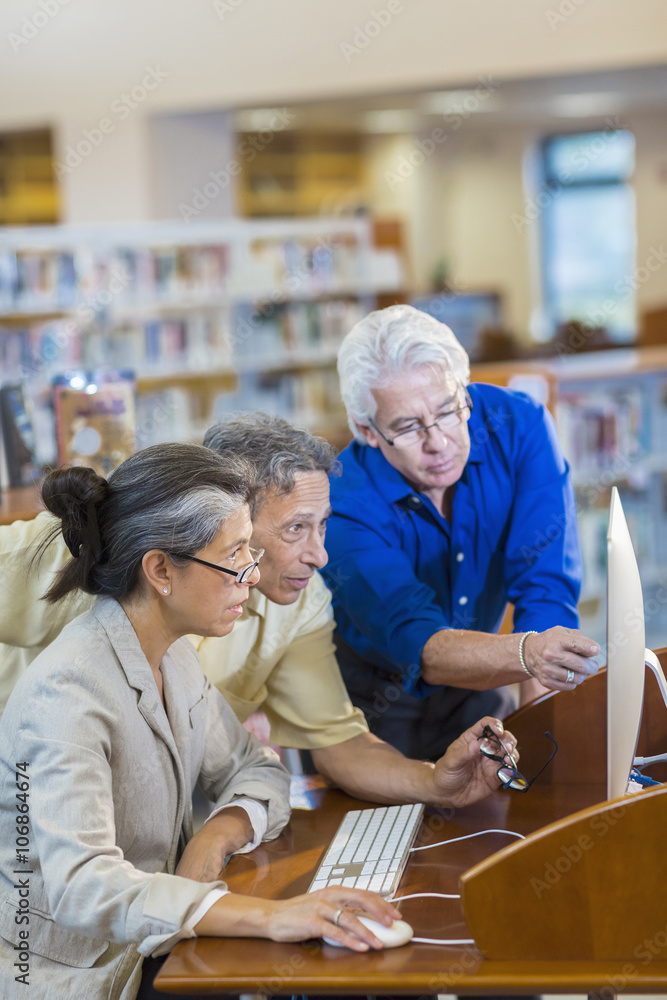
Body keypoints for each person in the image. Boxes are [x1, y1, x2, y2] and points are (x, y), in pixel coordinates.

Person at [0, 443, 416, 1000]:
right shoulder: (67, 692)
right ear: (161, 570)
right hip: (77, 973)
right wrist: (271, 917)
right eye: (237, 553)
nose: (252, 573)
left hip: (152, 940)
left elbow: (257, 767)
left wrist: (219, 833)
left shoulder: (172, 655)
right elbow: (82, 889)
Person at [0, 415, 521, 810]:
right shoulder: (90, 547)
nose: (319, 555)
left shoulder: (299, 601)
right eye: (296, 528)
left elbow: (336, 743)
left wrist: (435, 782)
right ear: (227, 516)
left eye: (324, 527)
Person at [323, 304, 601, 761]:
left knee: (506, 812)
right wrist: (528, 654)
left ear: (464, 383)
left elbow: (545, 586)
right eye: (409, 427)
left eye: (450, 410)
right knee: (393, 826)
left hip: (487, 671)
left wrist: (543, 739)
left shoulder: (518, 425)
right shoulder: (342, 501)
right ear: (366, 430)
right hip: (375, 700)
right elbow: (420, 641)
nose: (439, 442)